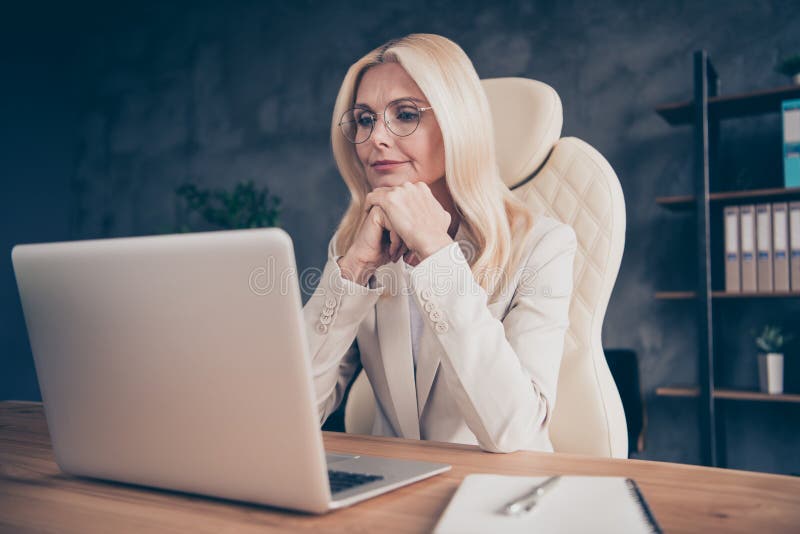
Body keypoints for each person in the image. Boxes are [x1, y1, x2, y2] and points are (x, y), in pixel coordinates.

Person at [303, 33, 577, 453]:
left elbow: (515, 434)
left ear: (456, 125)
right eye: (364, 119)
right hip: (390, 491)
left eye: (406, 114)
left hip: (496, 499)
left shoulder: (543, 246)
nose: (376, 137)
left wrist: (438, 257)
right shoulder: (356, 244)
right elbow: (297, 412)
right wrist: (354, 269)